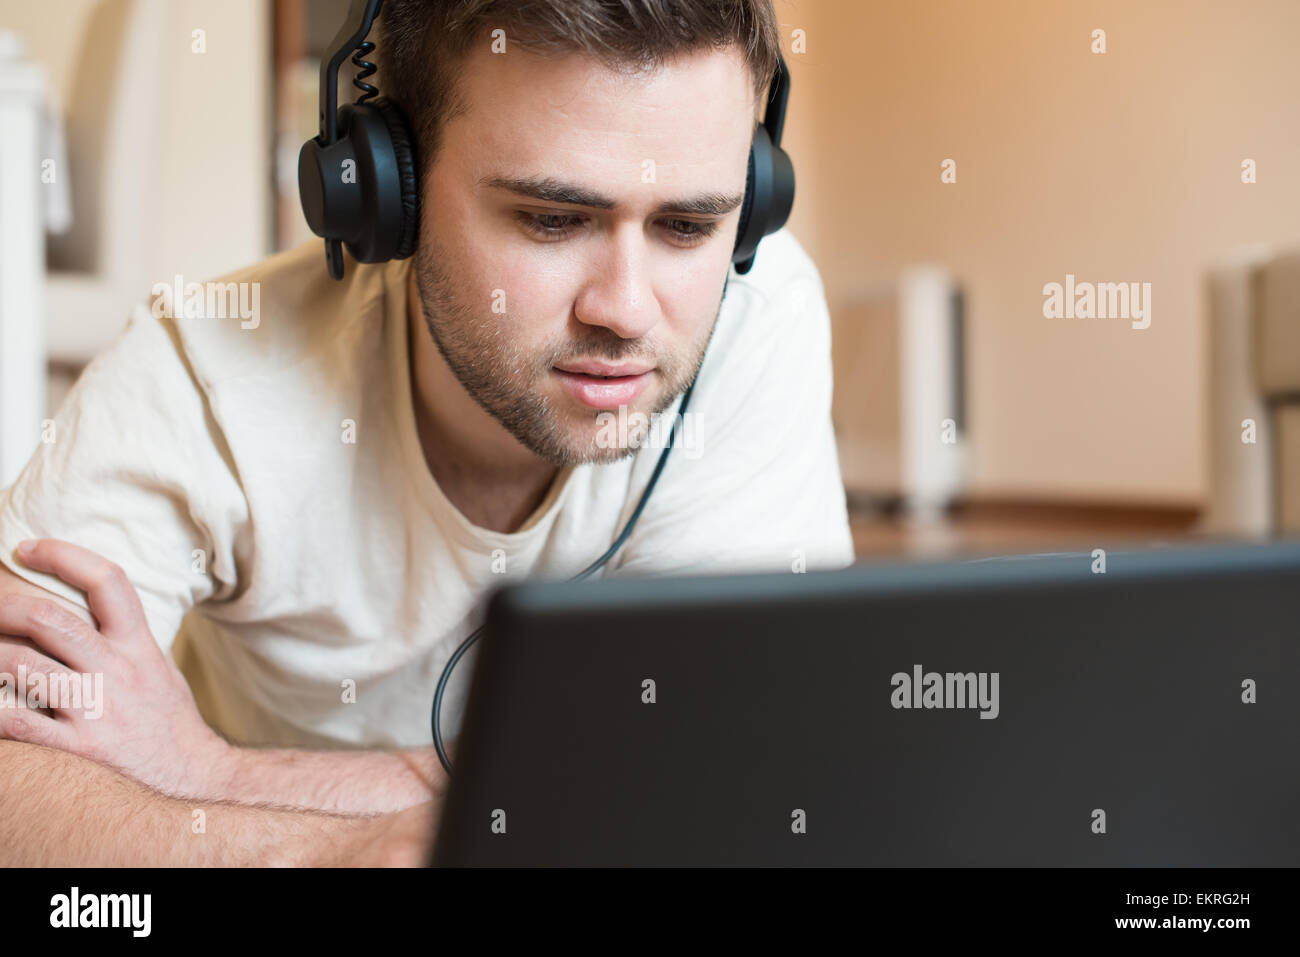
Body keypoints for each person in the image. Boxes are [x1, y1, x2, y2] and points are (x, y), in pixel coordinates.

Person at [0, 0, 851, 866]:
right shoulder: (200, 379)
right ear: (382, 194)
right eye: (552, 220)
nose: (627, 310)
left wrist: (205, 772)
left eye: (688, 226)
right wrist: (339, 853)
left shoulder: (756, 316)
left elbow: (734, 779)